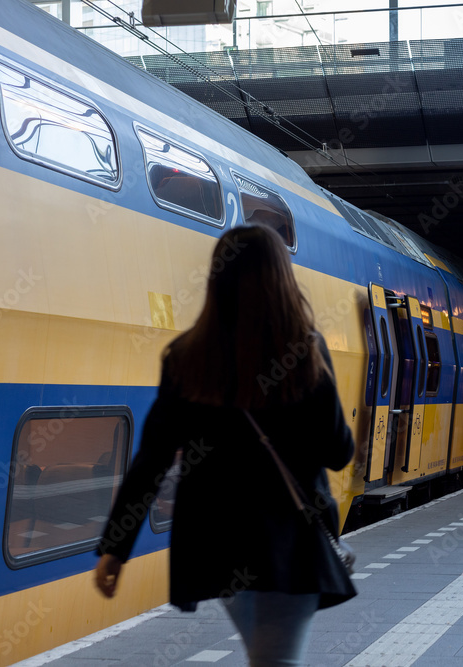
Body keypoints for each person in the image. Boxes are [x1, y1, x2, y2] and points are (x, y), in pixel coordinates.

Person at [94, 225, 357, 666]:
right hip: (289, 544)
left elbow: (152, 461)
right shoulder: (304, 353)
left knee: (265, 656)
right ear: (282, 278)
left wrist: (115, 548)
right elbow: (337, 452)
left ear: (217, 280)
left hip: (218, 547)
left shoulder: (186, 358)